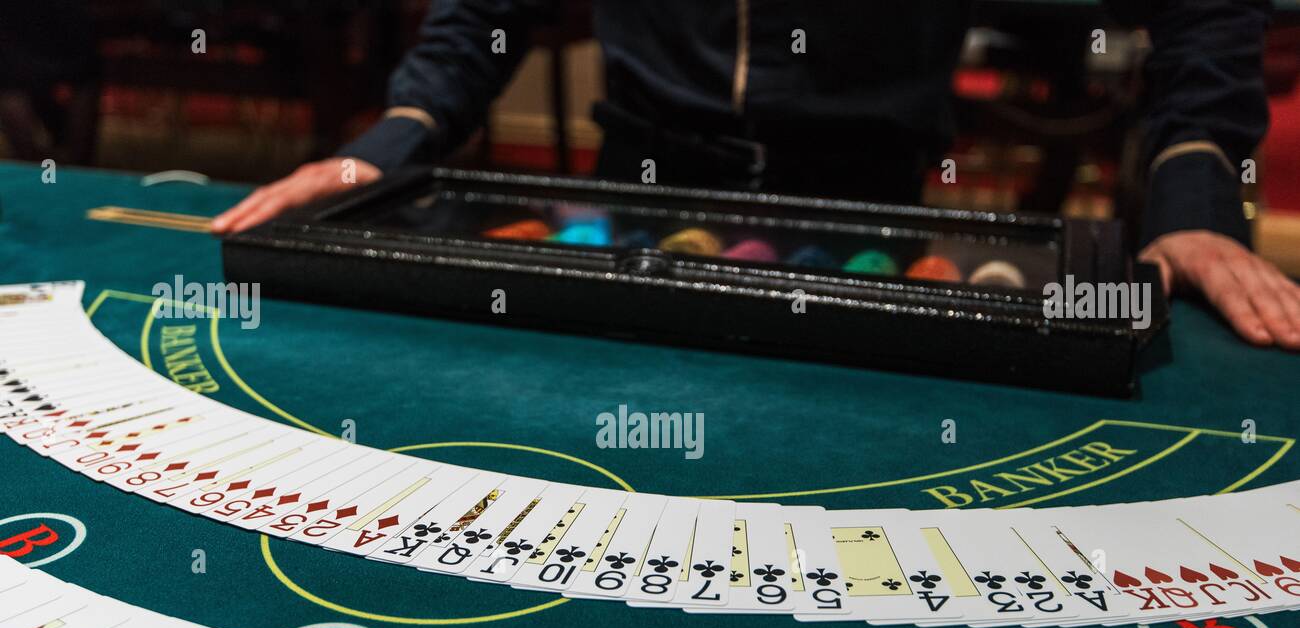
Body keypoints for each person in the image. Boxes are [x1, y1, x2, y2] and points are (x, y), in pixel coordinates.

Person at [210, 0, 1300, 350]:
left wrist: (1196, 202)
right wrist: (392, 141)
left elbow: (1202, 10)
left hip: (875, 224)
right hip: (626, 210)